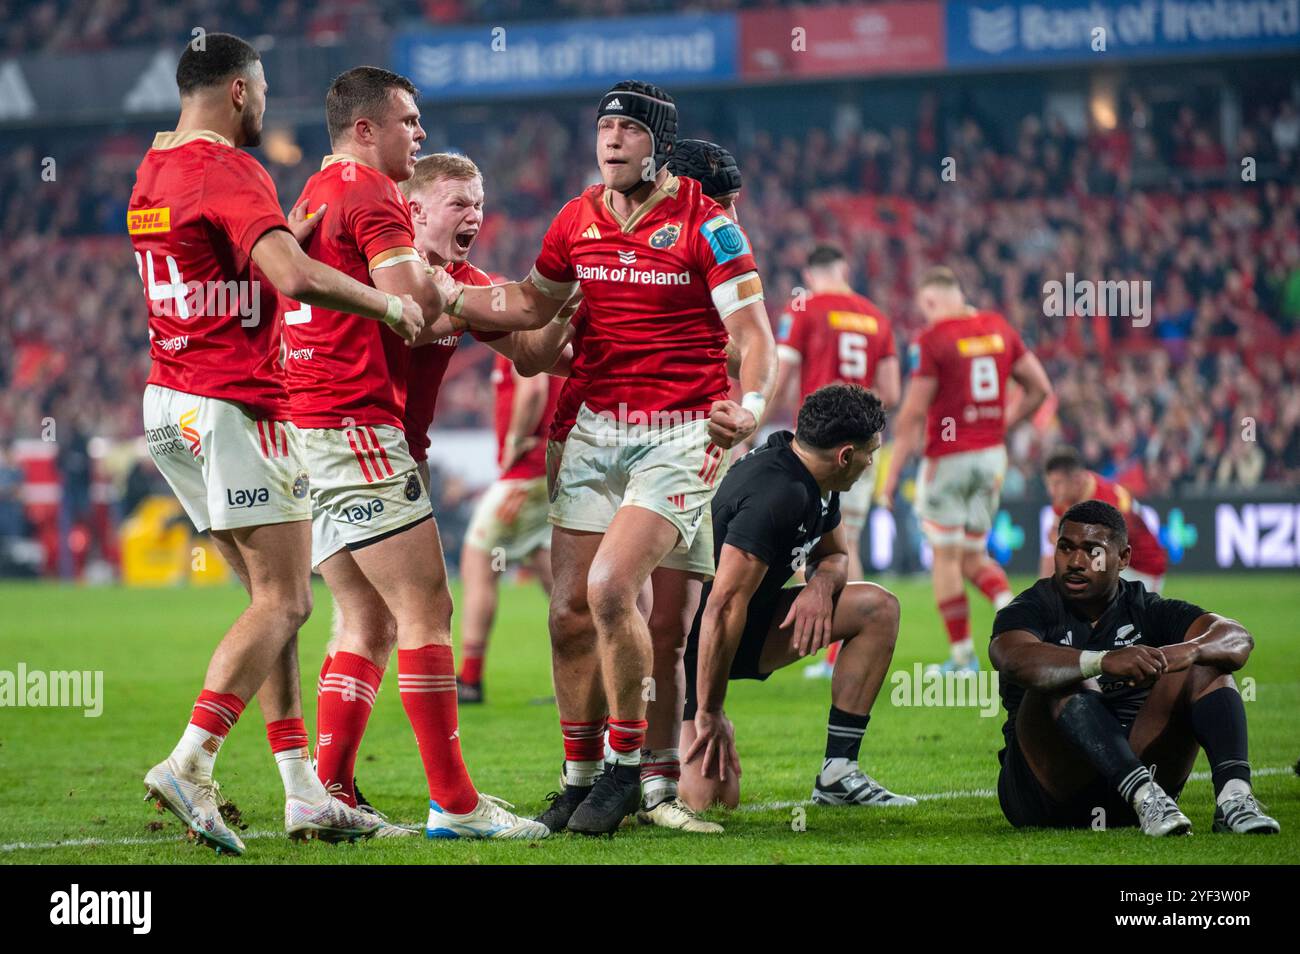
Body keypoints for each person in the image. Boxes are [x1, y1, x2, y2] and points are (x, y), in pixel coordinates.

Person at [430, 82, 777, 835]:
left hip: (679, 433)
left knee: (615, 589)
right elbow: (530, 307)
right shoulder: (574, 219)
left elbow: (754, 337)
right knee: (567, 615)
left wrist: (748, 409)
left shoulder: (709, 225)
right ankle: (580, 778)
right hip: (593, 431)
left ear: (660, 143)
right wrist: (445, 294)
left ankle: (631, 772)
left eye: (628, 128)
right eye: (604, 127)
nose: (611, 139)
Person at [133, 34, 422, 854]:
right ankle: (190, 762)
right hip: (236, 404)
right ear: (238, 92)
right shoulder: (229, 168)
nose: (264, 109)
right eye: (259, 94)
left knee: (271, 603)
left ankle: (304, 792)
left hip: (169, 400)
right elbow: (292, 279)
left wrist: (277, 237)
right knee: (288, 602)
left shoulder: (153, 169)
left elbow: (219, 267)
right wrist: (389, 304)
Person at [282, 71, 545, 840]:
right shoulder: (374, 214)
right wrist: (475, 300)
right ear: (415, 209)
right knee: (428, 609)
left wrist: (574, 305)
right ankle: (454, 805)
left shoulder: (328, 202)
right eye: (459, 203)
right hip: (358, 435)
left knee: (365, 620)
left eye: (480, 205)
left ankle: (330, 792)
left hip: (321, 437)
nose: (475, 216)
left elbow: (536, 353)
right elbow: (419, 307)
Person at [679, 384, 914, 811]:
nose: (871, 463)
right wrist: (710, 711)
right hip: (688, 646)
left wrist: (819, 589)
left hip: (747, 623)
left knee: (877, 608)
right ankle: (624, 751)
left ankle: (838, 773)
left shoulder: (816, 474)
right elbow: (722, 606)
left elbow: (836, 555)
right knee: (709, 799)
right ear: (846, 455)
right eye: (870, 453)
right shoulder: (776, 495)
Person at [990, 500, 1279, 836]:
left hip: (1140, 788)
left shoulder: (1146, 608)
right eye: (1065, 548)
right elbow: (1012, 658)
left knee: (1205, 663)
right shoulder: (1031, 607)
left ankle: (1234, 798)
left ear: (1124, 558)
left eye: (1093, 551)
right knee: (1061, 672)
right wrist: (1101, 661)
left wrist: (1184, 652)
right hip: (1046, 792)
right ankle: (1143, 793)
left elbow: (1237, 637)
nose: (1076, 562)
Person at [881, 266, 1052, 674]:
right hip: (992, 457)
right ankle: (1017, 614)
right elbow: (1040, 389)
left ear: (931, 300)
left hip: (949, 458)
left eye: (925, 307)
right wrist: (1002, 425)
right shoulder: (999, 328)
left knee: (945, 556)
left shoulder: (933, 338)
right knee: (973, 555)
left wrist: (890, 477)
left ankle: (962, 657)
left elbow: (913, 413)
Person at [774, 243, 900, 581]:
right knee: (847, 544)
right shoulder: (876, 316)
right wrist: (856, 417)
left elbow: (780, 380)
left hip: (816, 441)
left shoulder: (803, 307)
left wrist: (753, 421)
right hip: (863, 443)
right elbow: (891, 393)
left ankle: (817, 611)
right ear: (844, 270)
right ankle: (853, 615)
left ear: (808, 276)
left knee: (800, 544)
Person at [455, 353, 563, 705]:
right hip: (548, 466)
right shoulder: (547, 333)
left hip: (527, 471)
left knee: (478, 562)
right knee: (556, 576)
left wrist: (515, 440)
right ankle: (581, 683)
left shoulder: (517, 336)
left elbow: (534, 388)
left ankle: (470, 679)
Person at [1043, 447, 1169, 592]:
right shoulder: (1065, 496)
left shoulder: (1107, 502)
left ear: (1076, 480)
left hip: (1142, 569)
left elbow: (1106, 552)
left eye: (1057, 483)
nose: (1051, 491)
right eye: (1049, 484)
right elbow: (1054, 548)